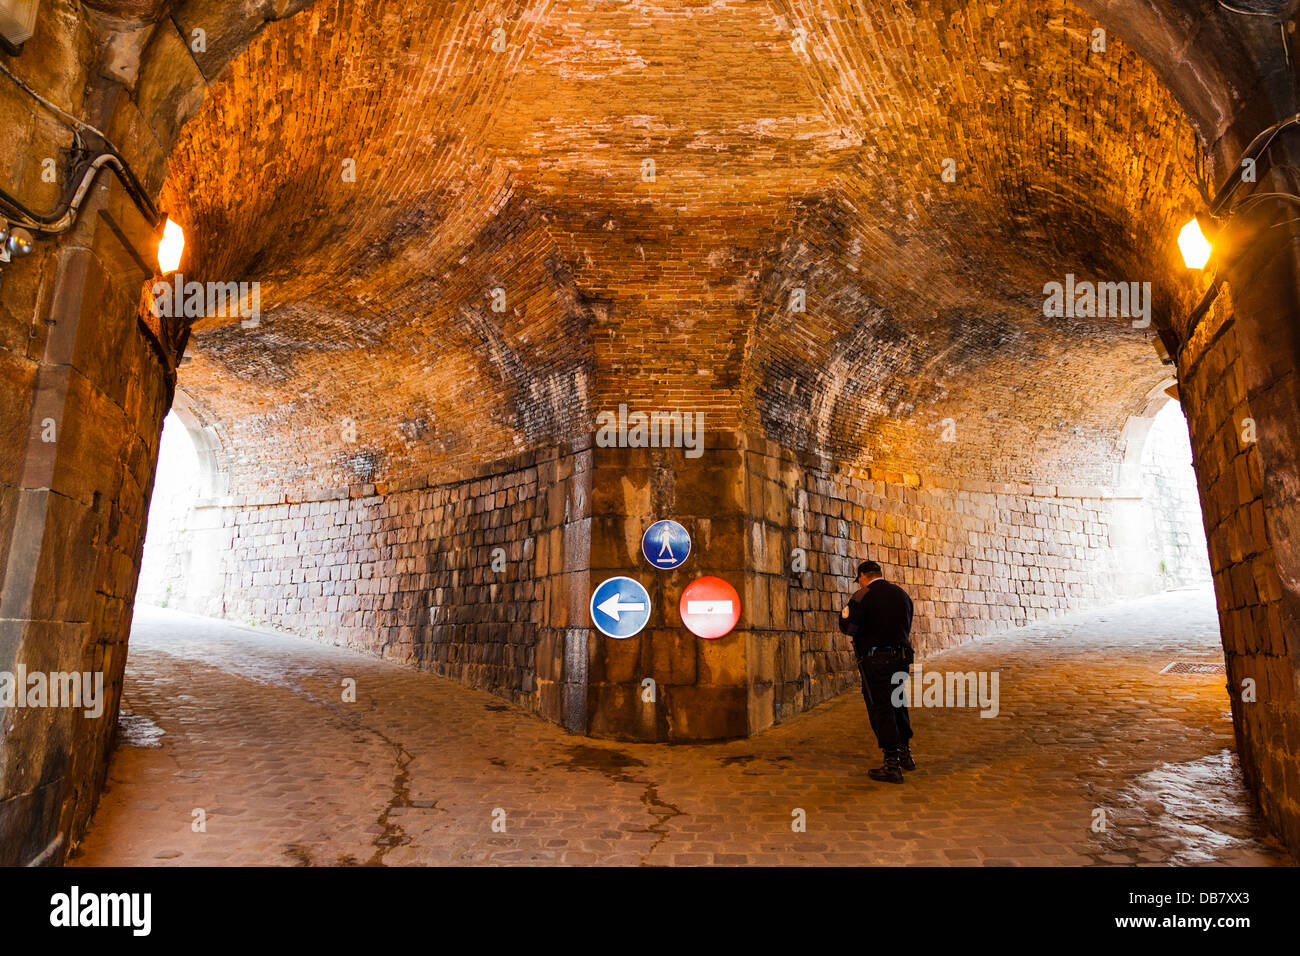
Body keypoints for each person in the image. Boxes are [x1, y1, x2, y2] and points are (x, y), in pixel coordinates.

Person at [838, 559, 916, 783]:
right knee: (898, 703)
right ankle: (905, 754)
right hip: (900, 658)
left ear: (863, 576)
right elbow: (906, 625)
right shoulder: (901, 594)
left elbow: (848, 627)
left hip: (876, 661)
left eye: (860, 579)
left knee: (880, 708)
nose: (860, 583)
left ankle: (891, 763)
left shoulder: (862, 596)